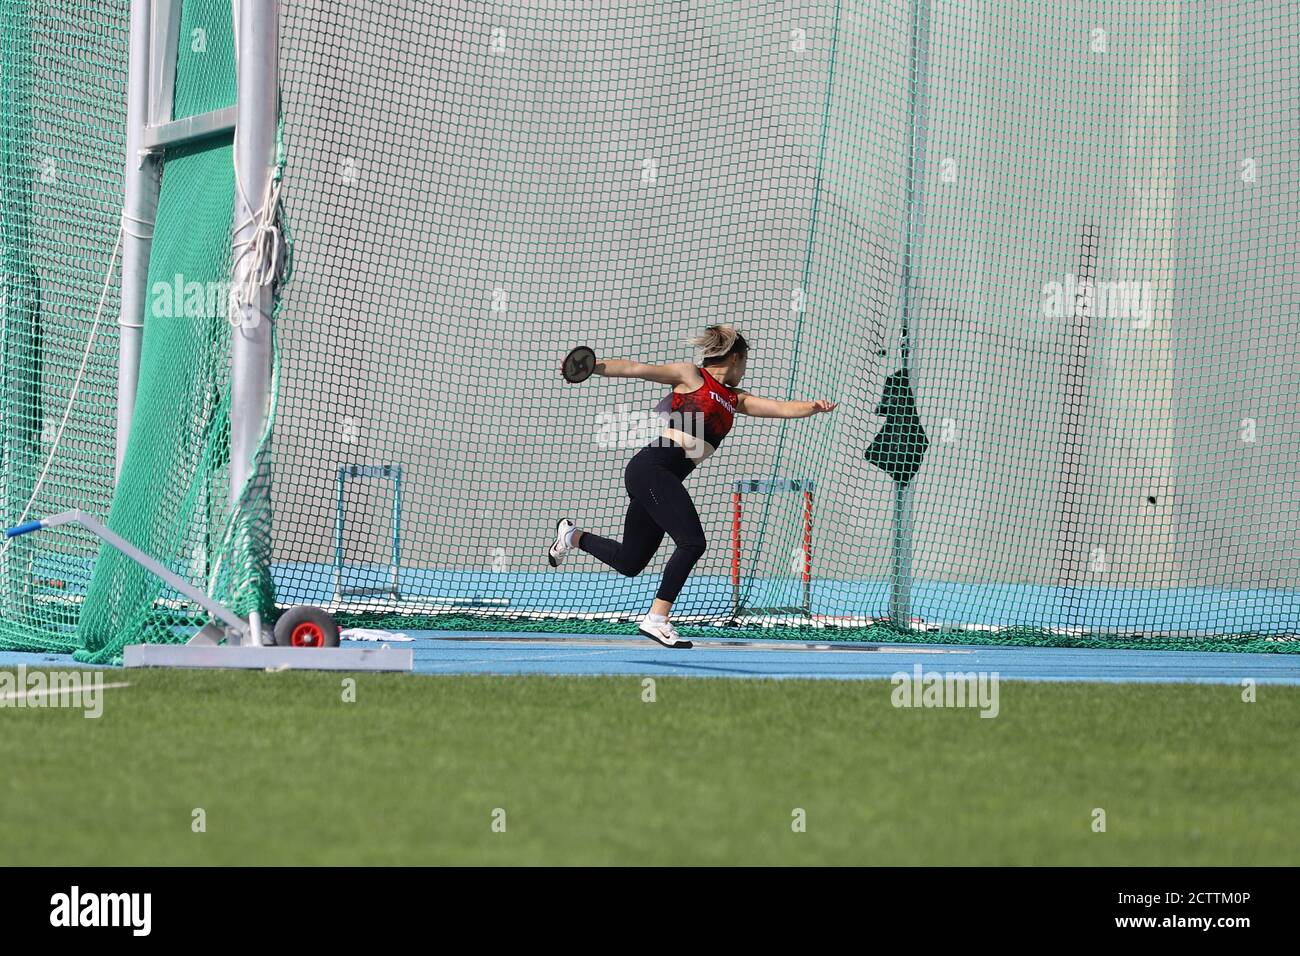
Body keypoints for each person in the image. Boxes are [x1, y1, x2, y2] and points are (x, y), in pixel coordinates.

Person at [549, 325, 837, 648]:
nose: (745, 371)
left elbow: (780, 408)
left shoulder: (735, 400)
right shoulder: (691, 376)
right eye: (746, 363)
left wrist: (812, 407)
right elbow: (635, 368)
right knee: (693, 542)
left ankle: (570, 536)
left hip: (660, 478)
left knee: (630, 562)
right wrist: (591, 366)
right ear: (735, 358)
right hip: (652, 468)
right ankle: (657, 618)